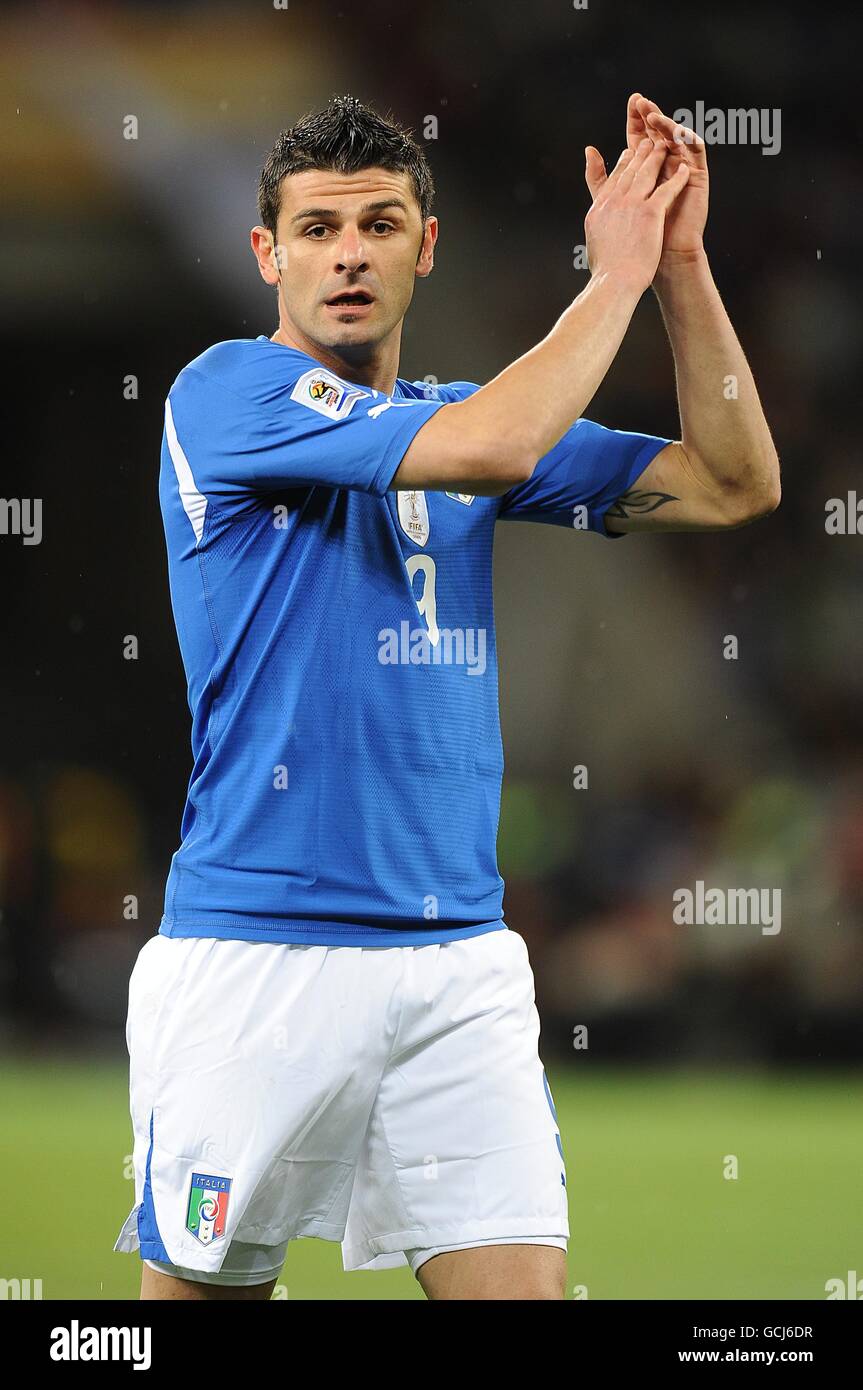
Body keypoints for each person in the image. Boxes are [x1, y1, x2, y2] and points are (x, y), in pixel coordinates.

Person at [114, 92, 780, 1301]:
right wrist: (610, 277)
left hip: (458, 962)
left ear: (426, 246)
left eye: (379, 223)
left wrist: (678, 267)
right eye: (316, 229)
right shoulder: (225, 398)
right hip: (263, 955)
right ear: (266, 254)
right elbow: (497, 449)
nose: (349, 253)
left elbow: (732, 484)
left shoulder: (452, 419)